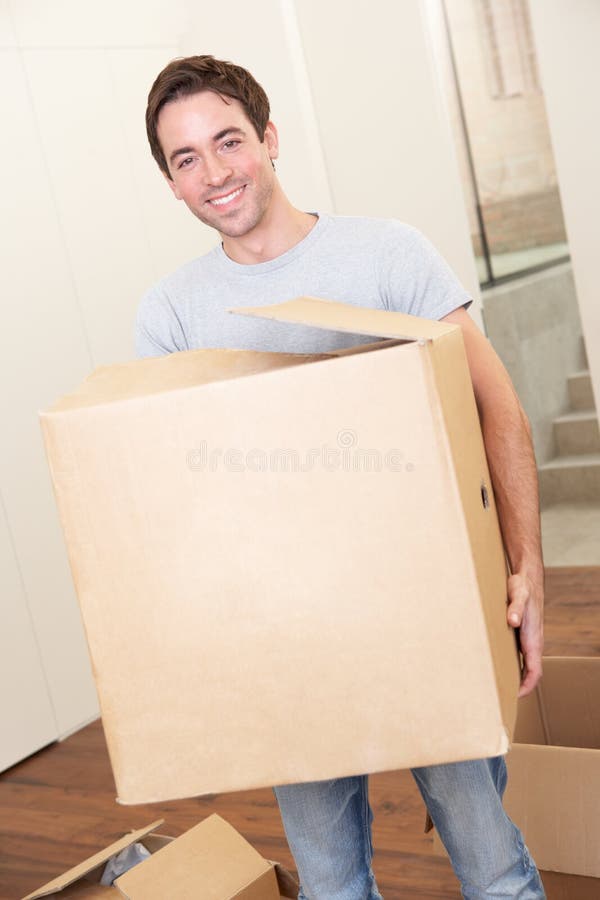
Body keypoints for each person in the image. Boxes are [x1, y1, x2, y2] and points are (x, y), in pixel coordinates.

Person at [136, 55, 546, 900]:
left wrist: (525, 569)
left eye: (228, 141)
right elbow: (172, 492)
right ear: (170, 183)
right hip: (287, 633)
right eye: (186, 159)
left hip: (422, 605)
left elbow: (496, 409)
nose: (214, 173)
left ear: (270, 139)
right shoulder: (170, 315)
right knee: (329, 884)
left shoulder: (386, 254)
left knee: (490, 863)